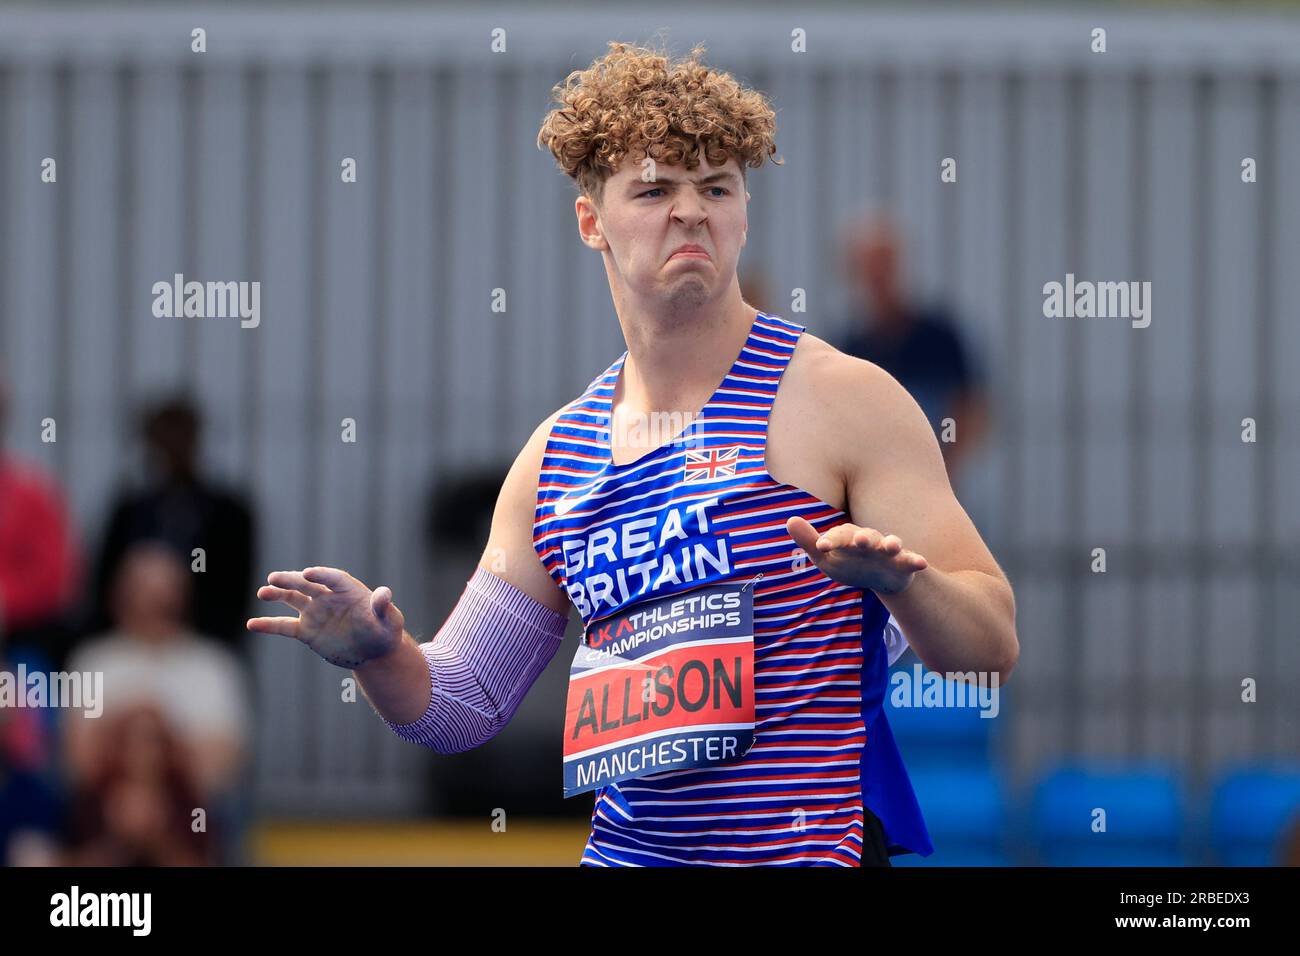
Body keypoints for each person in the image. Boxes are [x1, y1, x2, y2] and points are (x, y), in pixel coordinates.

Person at [248, 41, 1018, 867]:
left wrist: (905, 585)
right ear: (591, 222)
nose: (690, 210)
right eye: (654, 188)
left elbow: (991, 641)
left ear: (743, 214)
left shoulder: (842, 400)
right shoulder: (557, 458)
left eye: (715, 188)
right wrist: (381, 655)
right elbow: (463, 702)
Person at [838, 214, 989, 484]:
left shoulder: (941, 337)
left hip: (944, 480)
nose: (878, 275)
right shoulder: (849, 347)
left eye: (885, 264)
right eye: (869, 266)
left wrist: (947, 468)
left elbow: (972, 408)